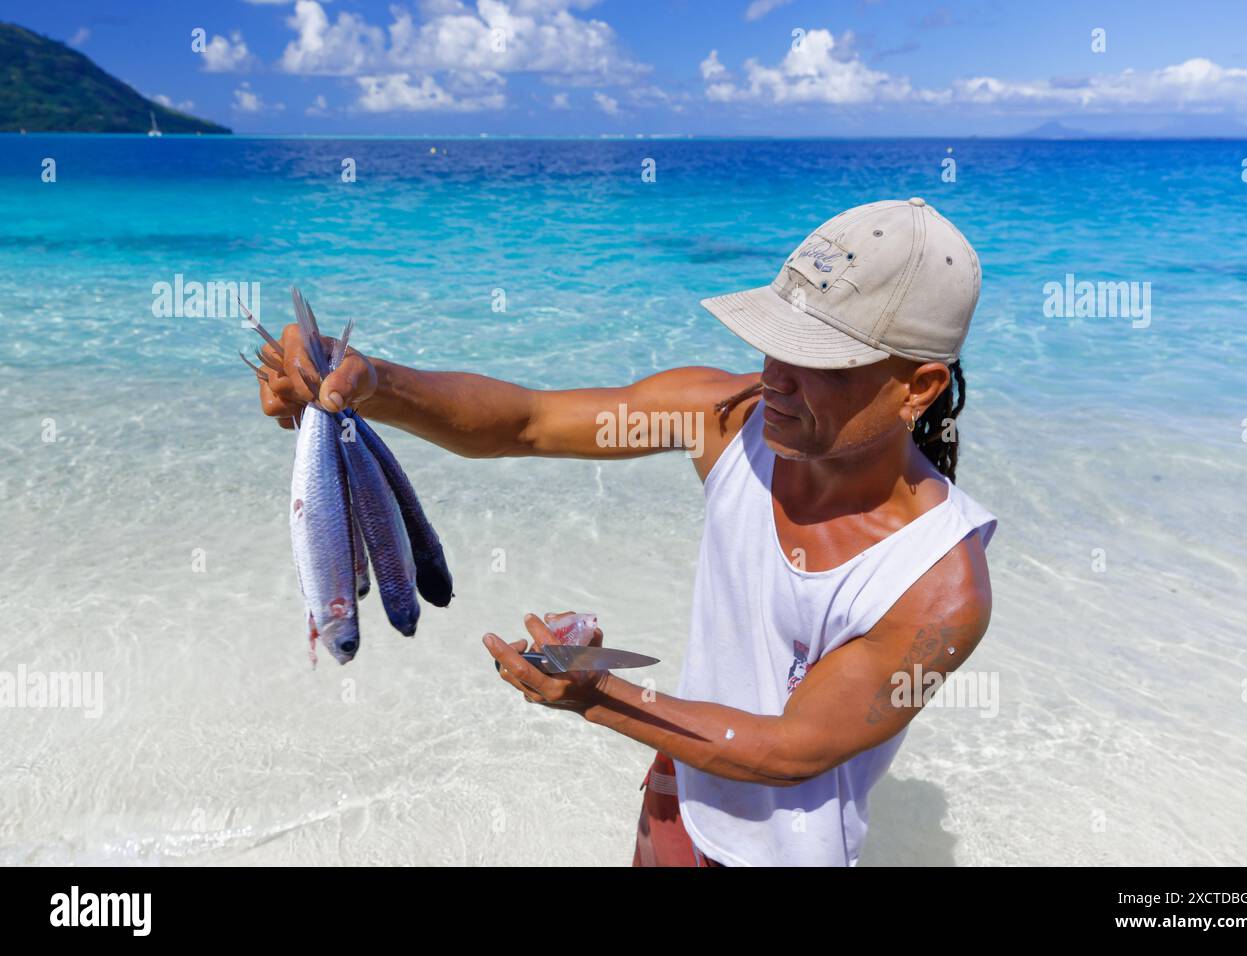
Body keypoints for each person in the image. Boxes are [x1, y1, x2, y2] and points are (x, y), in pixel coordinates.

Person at [255, 197, 997, 867]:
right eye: (775, 343)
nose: (774, 377)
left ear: (919, 387)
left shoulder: (939, 587)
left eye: (819, 362)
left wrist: (596, 693)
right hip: (678, 777)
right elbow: (530, 423)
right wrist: (371, 381)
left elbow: (791, 752)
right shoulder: (729, 422)